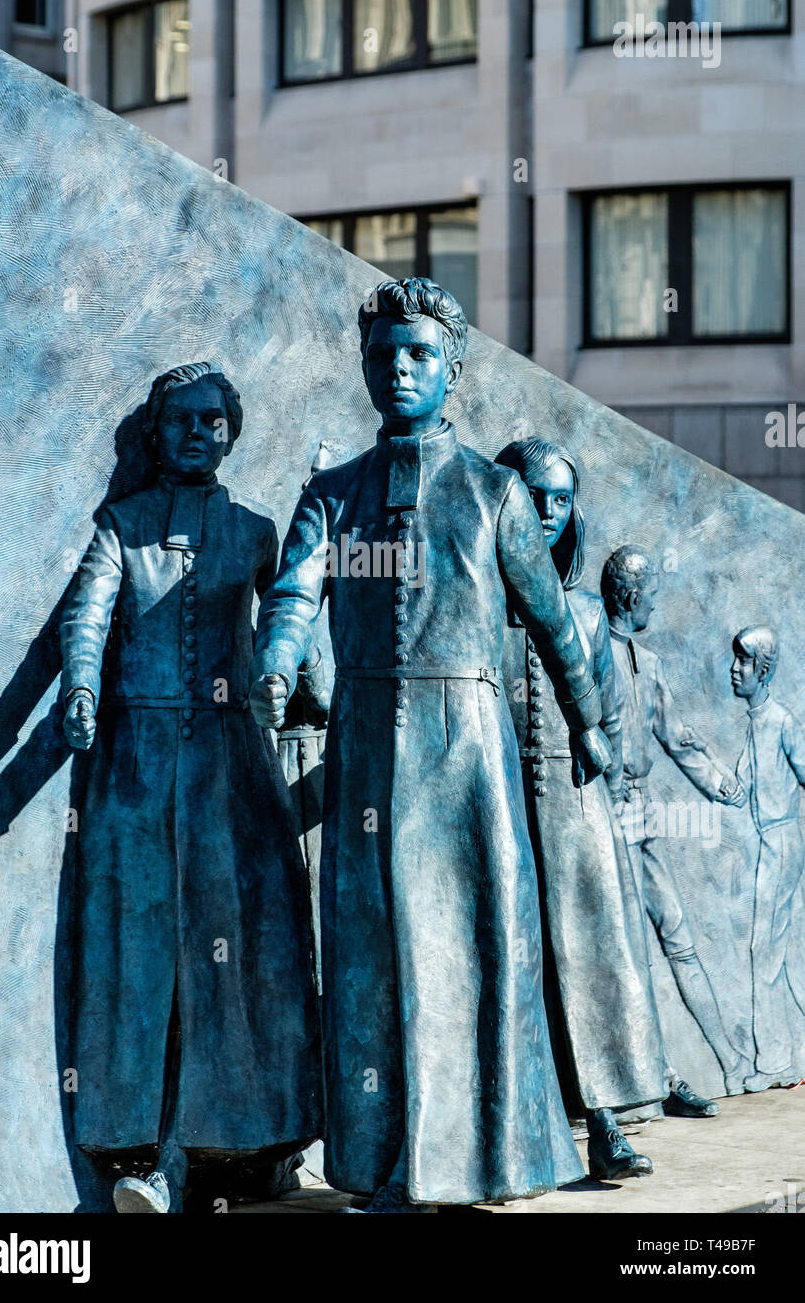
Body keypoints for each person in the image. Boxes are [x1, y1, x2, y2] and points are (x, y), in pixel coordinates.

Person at [250, 277, 610, 1211]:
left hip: (469, 756)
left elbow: (553, 624)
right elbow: (295, 593)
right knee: (374, 957)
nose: (398, 370)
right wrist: (275, 666)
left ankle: (481, 1155)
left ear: (453, 371)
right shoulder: (332, 495)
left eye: (418, 356)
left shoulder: (494, 493)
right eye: (383, 355)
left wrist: (589, 720)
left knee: (478, 949)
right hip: (371, 742)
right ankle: (384, 1163)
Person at [60, 360, 322, 1212]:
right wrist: (82, 686)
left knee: (241, 962)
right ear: (156, 432)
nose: (198, 432)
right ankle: (139, 1150)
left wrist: (304, 691)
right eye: (181, 420)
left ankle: (247, 1148)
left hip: (230, 771)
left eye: (213, 420)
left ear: (232, 432)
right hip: (136, 765)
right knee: (140, 960)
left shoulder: (252, 530)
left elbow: (291, 618)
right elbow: (89, 612)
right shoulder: (123, 523)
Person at [495, 437, 665, 1181]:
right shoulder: (479, 606)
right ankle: (517, 1130)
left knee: (586, 964)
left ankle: (603, 1124)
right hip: (498, 804)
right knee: (513, 964)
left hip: (574, 813)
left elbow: (613, 731)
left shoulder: (589, 614)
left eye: (560, 499)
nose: (546, 511)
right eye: (533, 495)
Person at [601, 545, 751, 1104]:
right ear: (632, 596)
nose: (656, 607)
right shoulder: (592, 654)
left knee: (678, 938)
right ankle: (656, 1077)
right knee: (629, 952)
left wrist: (721, 784)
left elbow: (678, 736)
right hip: (601, 813)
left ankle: (730, 1062)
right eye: (652, 597)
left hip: (640, 812)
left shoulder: (650, 663)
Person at [730, 626, 805, 1091]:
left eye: (742, 661)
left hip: (782, 842)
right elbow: (739, 788)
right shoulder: (755, 721)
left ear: (763, 669)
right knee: (776, 952)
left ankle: (778, 1061)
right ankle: (780, 1057)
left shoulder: (781, 720)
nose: (733, 670)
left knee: (767, 949)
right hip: (770, 844)